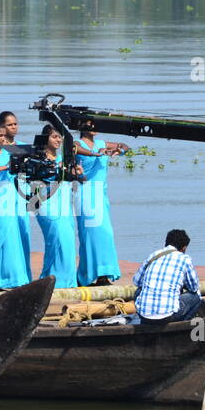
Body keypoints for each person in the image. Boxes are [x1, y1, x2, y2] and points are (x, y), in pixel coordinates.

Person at [75, 117, 126, 287]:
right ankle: (88, 275)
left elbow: (125, 146)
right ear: (81, 125)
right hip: (85, 193)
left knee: (105, 233)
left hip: (101, 194)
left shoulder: (102, 143)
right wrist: (97, 154)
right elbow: (76, 150)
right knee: (90, 235)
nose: (94, 126)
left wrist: (119, 150)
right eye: (90, 123)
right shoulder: (75, 143)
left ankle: (104, 274)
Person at [0, 122, 32, 289]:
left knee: (12, 236)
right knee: (0, 236)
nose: (3, 139)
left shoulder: (9, 151)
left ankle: (13, 277)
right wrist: (4, 167)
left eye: (4, 135)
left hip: (12, 195)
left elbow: (32, 155)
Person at [32, 127, 81, 288]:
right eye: (54, 137)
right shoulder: (38, 158)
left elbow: (74, 180)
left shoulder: (63, 158)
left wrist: (75, 172)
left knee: (66, 240)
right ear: (46, 138)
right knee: (56, 238)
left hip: (64, 202)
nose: (58, 140)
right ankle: (52, 278)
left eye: (60, 137)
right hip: (46, 201)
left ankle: (63, 280)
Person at [134, 229, 202, 325]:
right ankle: (181, 326)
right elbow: (194, 287)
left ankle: (145, 324)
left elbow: (137, 281)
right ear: (184, 248)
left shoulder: (153, 255)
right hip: (167, 316)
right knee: (196, 296)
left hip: (144, 315)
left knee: (138, 291)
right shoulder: (185, 259)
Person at [0, 110, 33, 265]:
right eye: (9, 124)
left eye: (15, 124)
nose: (13, 127)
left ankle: (23, 271)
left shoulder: (24, 147)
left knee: (23, 229)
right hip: (4, 192)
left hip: (22, 191)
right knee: (7, 233)